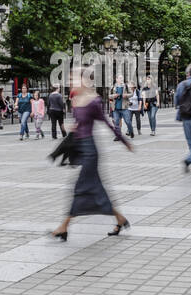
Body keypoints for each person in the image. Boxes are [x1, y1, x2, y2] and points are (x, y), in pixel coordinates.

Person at [49, 72, 133, 240]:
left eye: (75, 79)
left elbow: (107, 123)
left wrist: (124, 141)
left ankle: (63, 227)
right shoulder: (76, 99)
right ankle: (120, 219)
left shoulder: (94, 100)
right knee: (97, 190)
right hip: (82, 148)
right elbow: (79, 124)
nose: (72, 82)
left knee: (80, 188)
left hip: (91, 152)